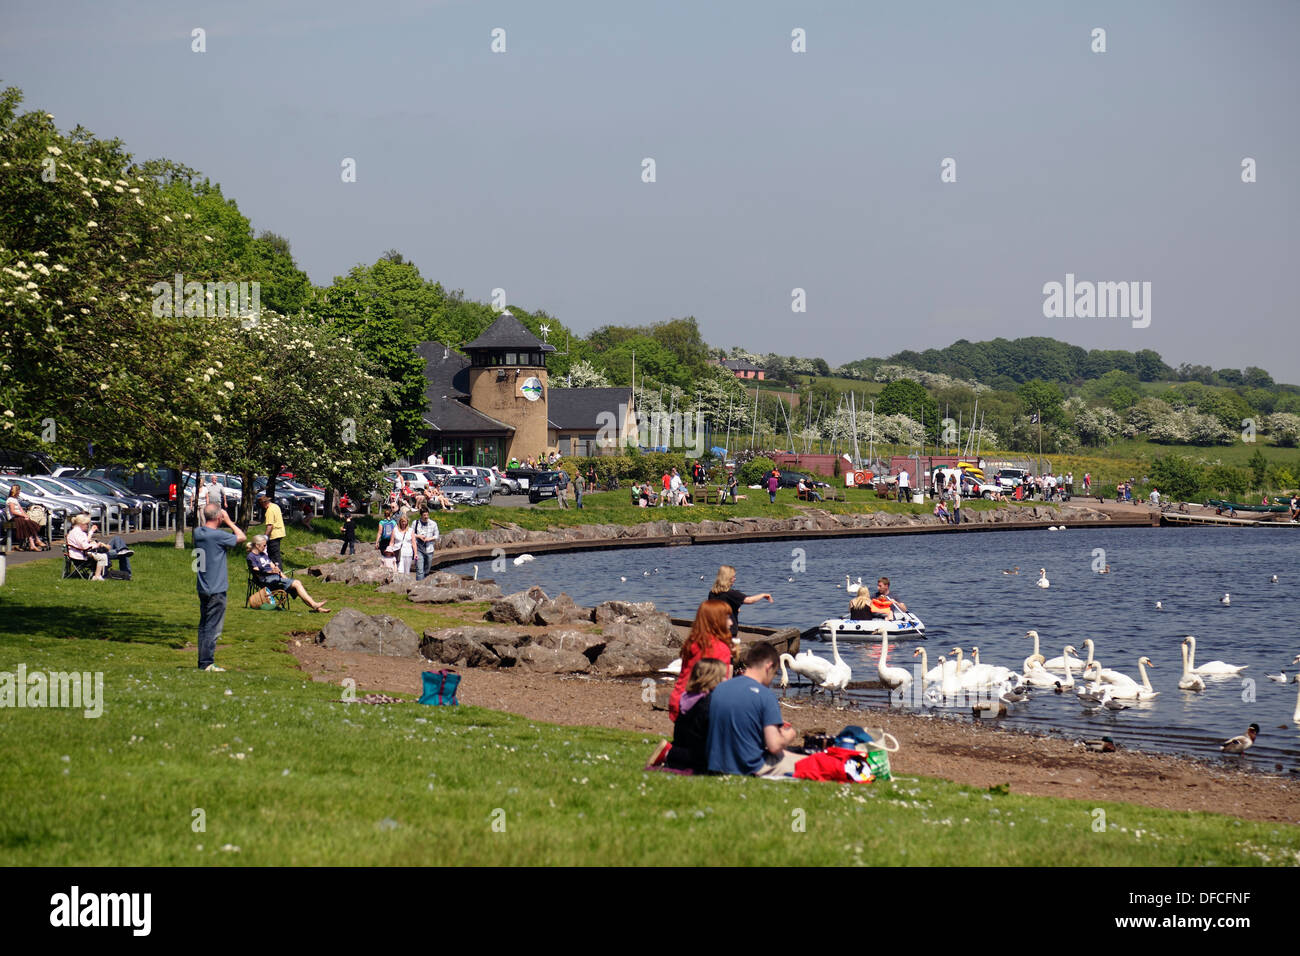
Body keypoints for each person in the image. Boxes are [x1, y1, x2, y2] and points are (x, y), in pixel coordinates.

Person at [705, 642, 799, 777]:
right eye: (774, 673)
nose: (772, 679)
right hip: (749, 767)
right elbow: (774, 746)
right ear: (769, 666)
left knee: (788, 755)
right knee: (807, 762)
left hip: (716, 764)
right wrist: (789, 735)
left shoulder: (720, 688)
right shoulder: (765, 695)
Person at [194, 504, 246, 672]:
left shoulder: (198, 533)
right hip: (216, 588)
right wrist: (230, 522)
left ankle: (203, 662)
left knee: (204, 626)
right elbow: (242, 537)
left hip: (203, 586)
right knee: (212, 628)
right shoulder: (217, 536)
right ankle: (207, 663)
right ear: (219, 518)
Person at [669, 599, 735, 721]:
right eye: (727, 618)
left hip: (679, 700)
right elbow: (720, 688)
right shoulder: (720, 648)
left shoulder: (693, 642)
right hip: (698, 707)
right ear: (717, 621)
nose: (731, 623)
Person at [662, 658, 728, 773]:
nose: (726, 680)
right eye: (723, 677)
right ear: (713, 679)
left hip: (677, 755)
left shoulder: (687, 698)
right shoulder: (710, 703)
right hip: (699, 761)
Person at [246, 535, 330, 611]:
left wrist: (283, 576)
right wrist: (271, 572)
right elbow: (257, 572)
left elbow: (275, 568)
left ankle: (316, 607)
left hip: (274, 578)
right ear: (257, 545)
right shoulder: (251, 557)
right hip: (265, 581)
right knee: (297, 583)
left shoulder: (263, 554)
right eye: (264, 545)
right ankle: (315, 606)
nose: (265, 547)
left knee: (296, 585)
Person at [708, 564, 773, 638]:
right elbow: (749, 600)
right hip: (729, 629)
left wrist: (736, 608)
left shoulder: (712, 593)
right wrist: (763, 595)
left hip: (715, 628)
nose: (735, 579)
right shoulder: (731, 593)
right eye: (733, 577)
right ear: (727, 578)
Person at [66, 514, 133, 581]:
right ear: (81, 524)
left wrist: (91, 532)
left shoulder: (76, 532)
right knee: (123, 554)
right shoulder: (77, 533)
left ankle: (122, 550)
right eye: (87, 524)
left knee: (117, 539)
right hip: (88, 555)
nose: (87, 526)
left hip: (88, 552)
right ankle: (127, 572)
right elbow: (85, 546)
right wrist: (97, 545)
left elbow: (84, 542)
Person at [5, 484, 47, 551]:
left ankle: (33, 544)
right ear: (16, 491)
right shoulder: (10, 500)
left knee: (28, 523)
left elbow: (20, 509)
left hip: (19, 517)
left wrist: (26, 515)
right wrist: (23, 516)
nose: (19, 492)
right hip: (13, 518)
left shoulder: (15, 500)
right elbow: (13, 511)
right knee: (27, 524)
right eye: (19, 491)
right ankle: (36, 540)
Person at [258, 494, 285, 568]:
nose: (262, 506)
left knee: (274, 555)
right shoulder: (275, 506)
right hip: (280, 532)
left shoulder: (269, 510)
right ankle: (274, 570)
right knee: (274, 553)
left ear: (264, 503)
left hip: (274, 535)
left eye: (261, 504)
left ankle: (279, 572)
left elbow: (270, 526)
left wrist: (265, 537)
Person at [412, 508, 440, 580]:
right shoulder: (415, 523)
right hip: (419, 548)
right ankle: (419, 585)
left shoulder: (433, 524)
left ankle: (425, 581)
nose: (426, 517)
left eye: (427, 515)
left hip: (429, 549)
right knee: (420, 570)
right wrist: (419, 536)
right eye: (424, 515)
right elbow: (411, 533)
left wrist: (429, 539)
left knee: (427, 569)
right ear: (421, 515)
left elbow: (436, 535)